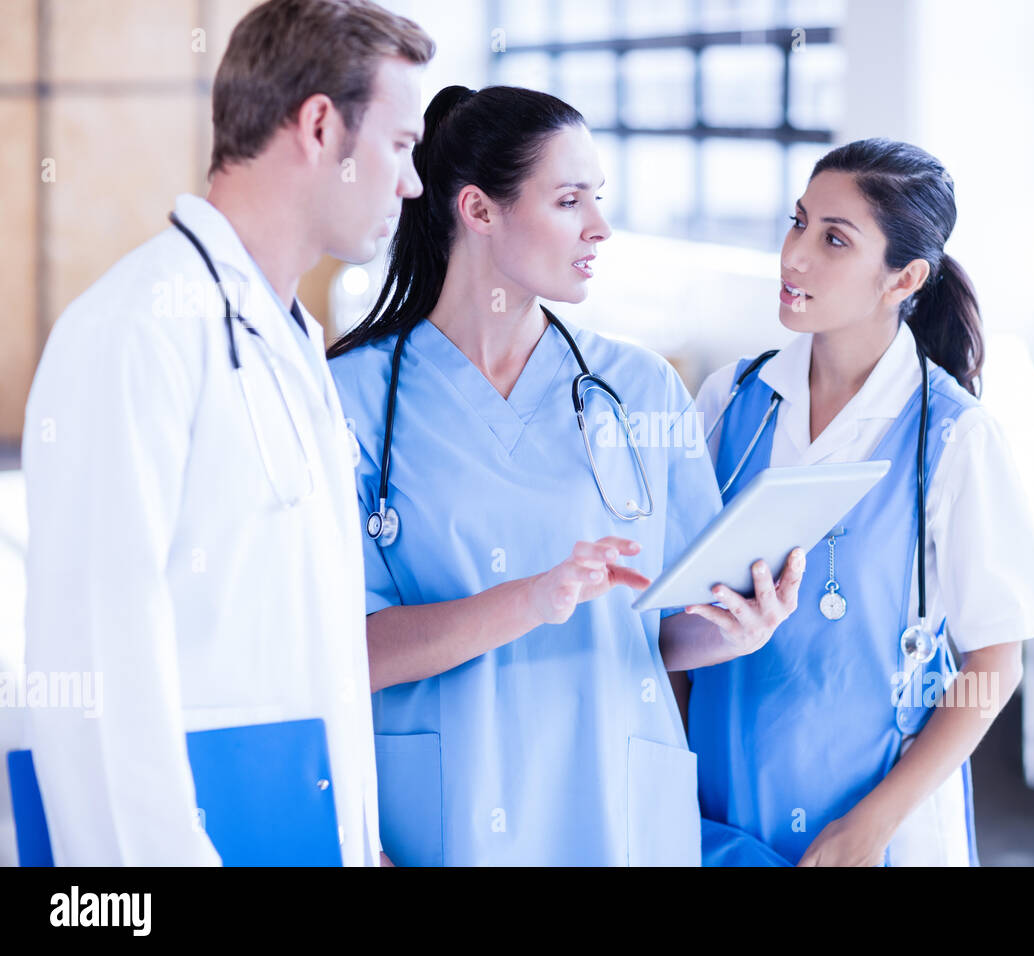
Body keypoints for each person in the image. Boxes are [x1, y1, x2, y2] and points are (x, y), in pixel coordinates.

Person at [327, 84, 804, 866]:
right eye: (569, 200)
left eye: (599, 199)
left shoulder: (641, 390)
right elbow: (344, 654)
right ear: (479, 211)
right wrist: (530, 599)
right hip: (446, 815)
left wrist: (733, 632)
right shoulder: (349, 400)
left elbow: (658, 628)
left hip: (612, 814)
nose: (600, 228)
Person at [21, 0, 432, 865]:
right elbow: (98, 677)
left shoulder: (292, 341)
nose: (412, 183)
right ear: (321, 125)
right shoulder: (136, 331)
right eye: (400, 146)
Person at [680, 138, 1034, 867]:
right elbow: (674, 613)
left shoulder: (950, 438)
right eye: (798, 223)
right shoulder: (730, 400)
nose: (795, 255)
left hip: (879, 827)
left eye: (833, 239)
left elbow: (995, 661)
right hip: (718, 806)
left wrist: (872, 825)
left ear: (904, 278)